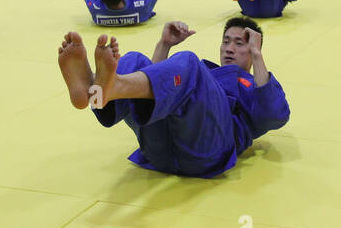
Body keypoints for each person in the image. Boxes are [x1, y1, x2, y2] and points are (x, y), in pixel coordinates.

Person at [57, 17, 290, 178]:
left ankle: (107, 87)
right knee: (137, 60)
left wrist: (258, 56)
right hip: (159, 150)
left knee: (188, 62)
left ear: (253, 50)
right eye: (226, 41)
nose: (229, 48)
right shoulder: (206, 71)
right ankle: (100, 93)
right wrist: (164, 44)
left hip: (207, 151)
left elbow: (274, 115)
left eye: (240, 44)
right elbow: (153, 93)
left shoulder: (253, 85)